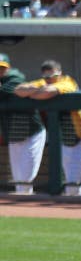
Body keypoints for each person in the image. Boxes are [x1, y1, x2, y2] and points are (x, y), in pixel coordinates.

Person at [14, 60, 81, 196]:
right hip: (66, 142)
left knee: (73, 185)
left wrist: (34, 93)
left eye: (53, 76)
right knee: (72, 186)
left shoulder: (68, 81)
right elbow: (18, 90)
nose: (50, 80)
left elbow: (48, 92)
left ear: (60, 74)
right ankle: (74, 212)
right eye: (46, 77)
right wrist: (38, 90)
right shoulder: (43, 83)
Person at [1, 54, 46, 195]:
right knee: (18, 179)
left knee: (25, 178)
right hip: (14, 134)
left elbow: (3, 91)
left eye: (3, 68)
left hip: (32, 133)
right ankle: (21, 210)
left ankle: (28, 207)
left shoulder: (15, 77)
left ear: (9, 68)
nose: (0, 71)